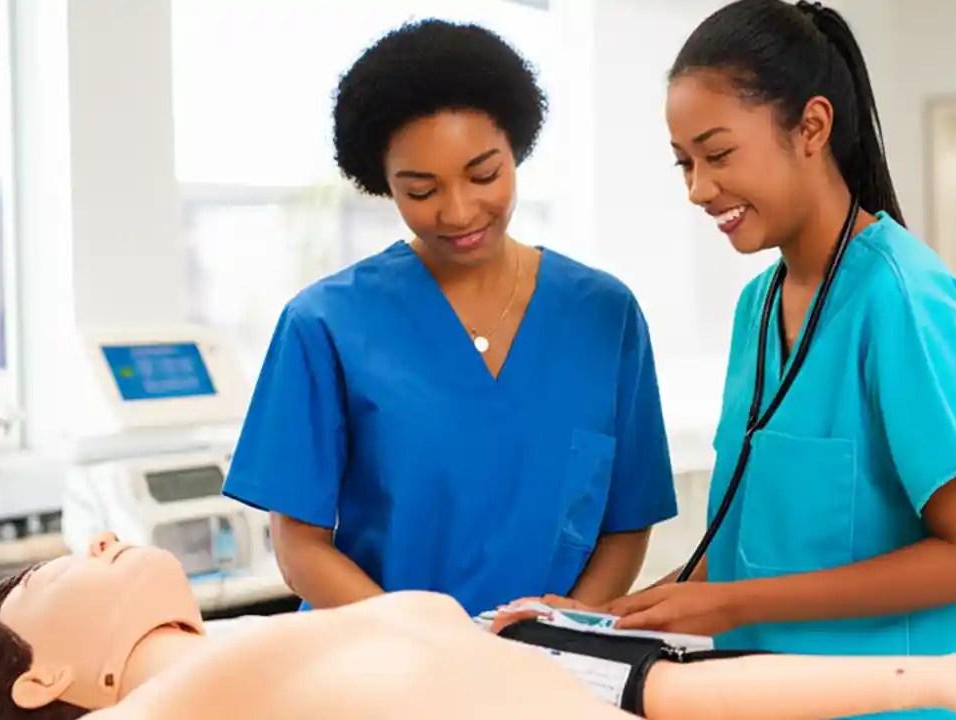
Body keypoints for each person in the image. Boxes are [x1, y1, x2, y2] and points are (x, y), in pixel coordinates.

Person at [534, 0, 956, 711]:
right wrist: (610, 619)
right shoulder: (758, 307)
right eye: (685, 163)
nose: (699, 188)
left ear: (811, 127)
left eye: (718, 154)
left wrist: (729, 606)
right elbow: (754, 551)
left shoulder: (903, 299)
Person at [221, 18, 677, 617]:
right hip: (379, 670)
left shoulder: (604, 315)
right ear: (382, 184)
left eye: (484, 174)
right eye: (420, 190)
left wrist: (559, 633)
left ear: (517, 149)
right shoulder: (325, 324)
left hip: (545, 673)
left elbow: (625, 522)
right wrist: (436, 649)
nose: (459, 211)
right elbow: (300, 548)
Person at [0, 533, 956, 719]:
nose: (90, 545)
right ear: (48, 686)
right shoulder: (157, 706)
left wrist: (934, 672)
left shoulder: (489, 634)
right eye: (47, 576)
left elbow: (678, 693)